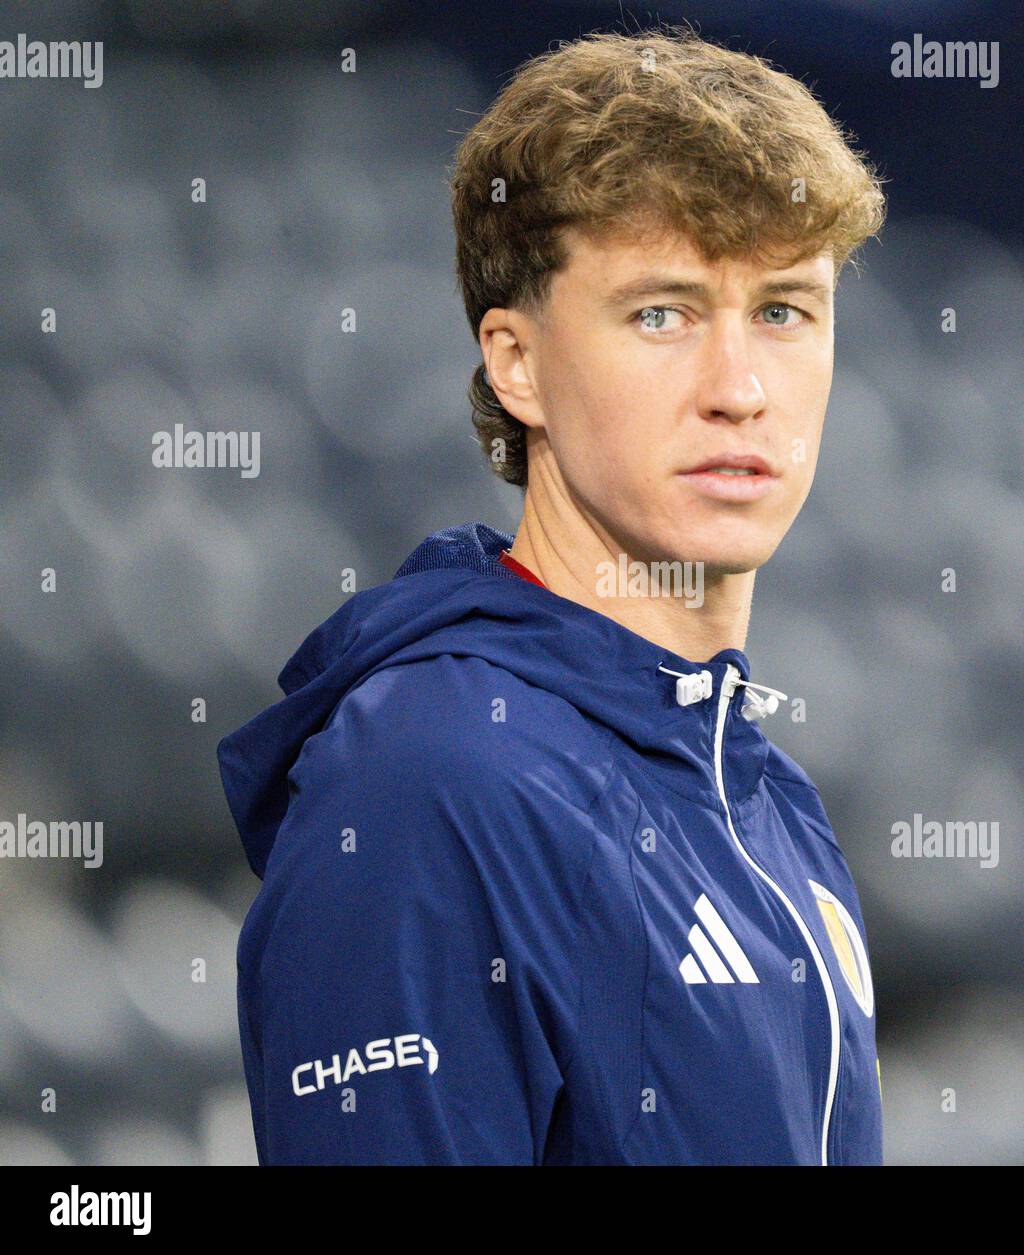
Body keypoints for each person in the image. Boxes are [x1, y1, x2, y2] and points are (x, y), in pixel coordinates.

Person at [219, 23, 887, 1165]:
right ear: (515, 364)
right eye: (661, 313)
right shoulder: (430, 785)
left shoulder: (770, 801)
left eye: (782, 310)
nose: (739, 389)